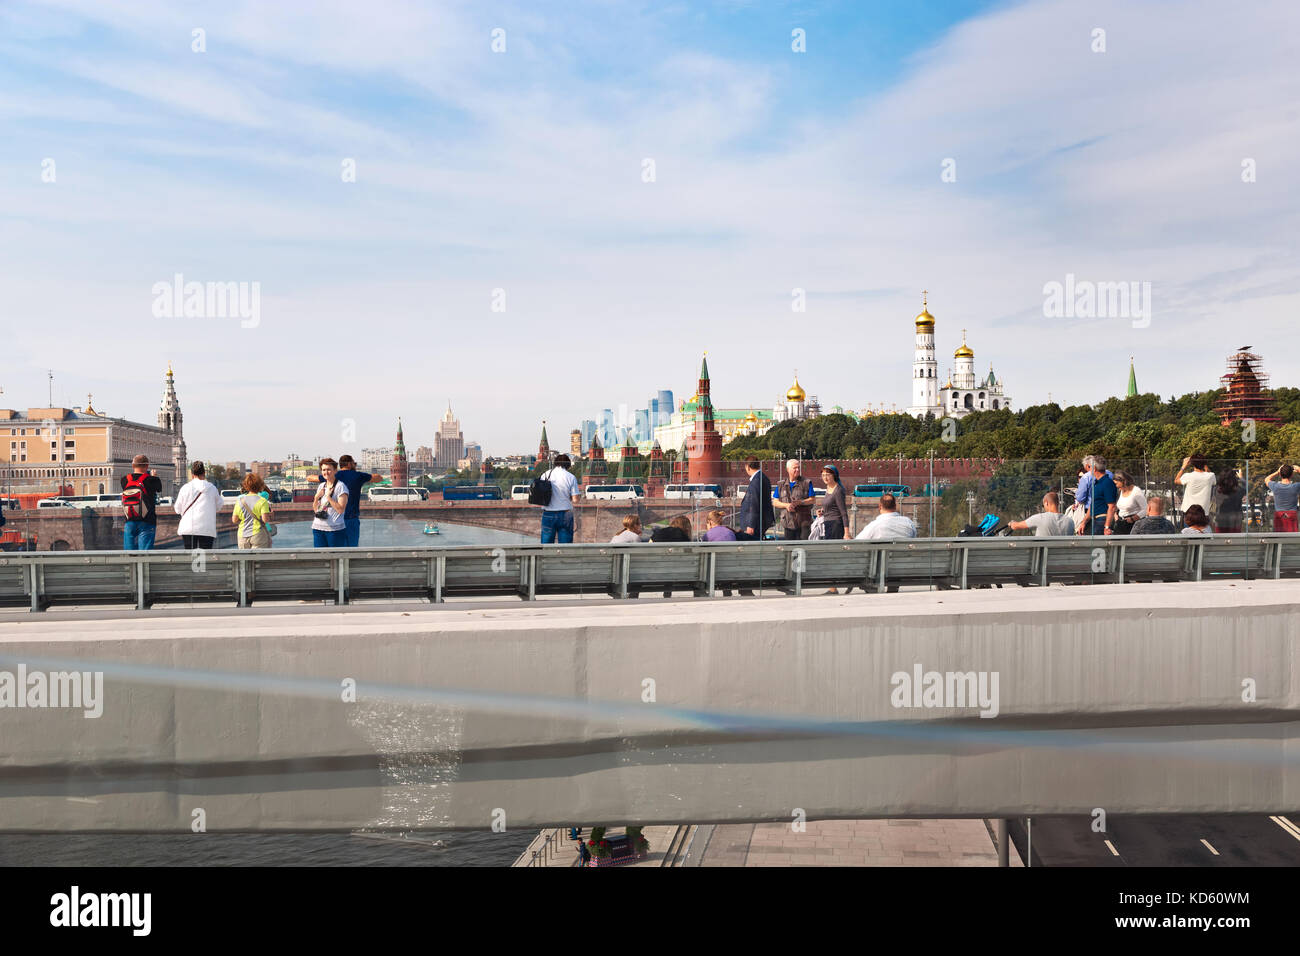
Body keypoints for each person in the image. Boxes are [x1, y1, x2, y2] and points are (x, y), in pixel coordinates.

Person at [309, 455, 379, 548]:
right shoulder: (358, 476)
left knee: (330, 553)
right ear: (350, 464)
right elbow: (379, 478)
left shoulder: (331, 477)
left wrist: (321, 478)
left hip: (331, 521)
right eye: (354, 463)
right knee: (351, 551)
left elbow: (310, 478)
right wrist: (364, 476)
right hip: (351, 519)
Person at [119, 454, 164, 550]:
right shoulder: (151, 480)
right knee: (145, 555)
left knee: (129, 555)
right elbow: (158, 489)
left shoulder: (125, 480)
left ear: (133, 465)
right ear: (147, 466)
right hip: (147, 520)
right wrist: (154, 477)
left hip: (129, 520)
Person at [174, 460, 221, 549]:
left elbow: (177, 509)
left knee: (190, 556)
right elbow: (219, 506)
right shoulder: (212, 488)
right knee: (206, 557)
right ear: (204, 473)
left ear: (192, 474)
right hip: (207, 527)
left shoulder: (185, 488)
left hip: (188, 527)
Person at [538, 454, 581, 544]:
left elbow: (541, 494)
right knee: (565, 547)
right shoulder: (571, 477)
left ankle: (546, 558)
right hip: (565, 514)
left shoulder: (545, 475)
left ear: (555, 463)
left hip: (548, 513)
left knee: (546, 546)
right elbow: (575, 499)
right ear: (568, 464)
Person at [311, 458, 349, 547]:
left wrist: (328, 497)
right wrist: (316, 498)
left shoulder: (341, 487)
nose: (326, 472)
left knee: (335, 557)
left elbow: (341, 510)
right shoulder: (321, 486)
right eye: (324, 470)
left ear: (335, 470)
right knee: (321, 557)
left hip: (334, 529)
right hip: (318, 528)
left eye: (329, 469)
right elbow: (316, 510)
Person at [775, 459, 816, 540]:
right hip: (788, 524)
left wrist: (800, 502)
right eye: (795, 468)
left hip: (804, 523)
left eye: (798, 468)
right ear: (788, 469)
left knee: (803, 548)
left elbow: (812, 500)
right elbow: (775, 502)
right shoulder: (781, 484)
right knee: (790, 549)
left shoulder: (806, 483)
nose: (797, 470)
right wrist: (786, 505)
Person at [232, 472, 274, 549]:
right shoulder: (262, 501)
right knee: (258, 559)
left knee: (244, 560)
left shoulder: (240, 501)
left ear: (246, 486)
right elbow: (265, 520)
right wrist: (270, 514)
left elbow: (234, 520)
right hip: (258, 534)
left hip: (242, 535)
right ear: (260, 485)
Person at [736, 460, 774, 541]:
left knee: (752, 547)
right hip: (761, 521)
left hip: (756, 524)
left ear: (748, 467)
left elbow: (754, 503)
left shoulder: (756, 480)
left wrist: (751, 525)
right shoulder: (763, 477)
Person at [1009, 491, 1074, 536]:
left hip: (1042, 555)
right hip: (1062, 555)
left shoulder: (1040, 518)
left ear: (1046, 503)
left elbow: (1016, 526)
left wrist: (1012, 523)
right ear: (1058, 503)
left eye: (1043, 505)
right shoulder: (1070, 521)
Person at [1081, 456, 1118, 536]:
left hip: (1102, 521)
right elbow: (1092, 504)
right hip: (1095, 520)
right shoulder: (1096, 483)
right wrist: (1084, 522)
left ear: (1094, 469)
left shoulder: (1107, 483)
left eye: (1090, 467)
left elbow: (1111, 506)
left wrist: (1107, 526)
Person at [1175, 454, 1216, 522]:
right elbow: (1209, 473)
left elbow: (1176, 480)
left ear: (1192, 464)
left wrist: (1183, 466)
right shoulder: (1210, 476)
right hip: (1203, 512)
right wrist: (1203, 463)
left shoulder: (1188, 476)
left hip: (1189, 512)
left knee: (1189, 531)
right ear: (1204, 463)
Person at [816, 465, 851, 541]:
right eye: (823, 475)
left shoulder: (838, 491)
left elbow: (843, 513)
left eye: (828, 475)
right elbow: (832, 505)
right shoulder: (828, 487)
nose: (825, 478)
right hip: (828, 524)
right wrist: (822, 511)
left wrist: (846, 533)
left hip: (835, 526)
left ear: (834, 475)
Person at [1111, 471, 1147, 535]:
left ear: (1123, 481)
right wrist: (1116, 517)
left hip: (1133, 525)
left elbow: (1145, 509)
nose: (1116, 486)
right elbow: (1118, 506)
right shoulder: (1120, 491)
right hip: (1120, 524)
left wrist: (1132, 519)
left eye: (1116, 483)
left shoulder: (1136, 491)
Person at [1265, 464, 1299, 532]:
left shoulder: (1275, 486)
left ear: (1280, 475)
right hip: (1292, 514)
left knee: (1279, 537)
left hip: (1279, 515)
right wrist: (1298, 469)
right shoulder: (1296, 486)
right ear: (1292, 475)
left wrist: (1277, 472)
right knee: (1292, 538)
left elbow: (1266, 479)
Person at [1214, 469, 1246, 534]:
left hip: (1220, 520)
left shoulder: (1216, 490)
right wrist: (1241, 477)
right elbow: (1246, 487)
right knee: (1235, 541)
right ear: (1234, 479)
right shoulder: (1239, 490)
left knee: (1220, 541)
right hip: (1235, 521)